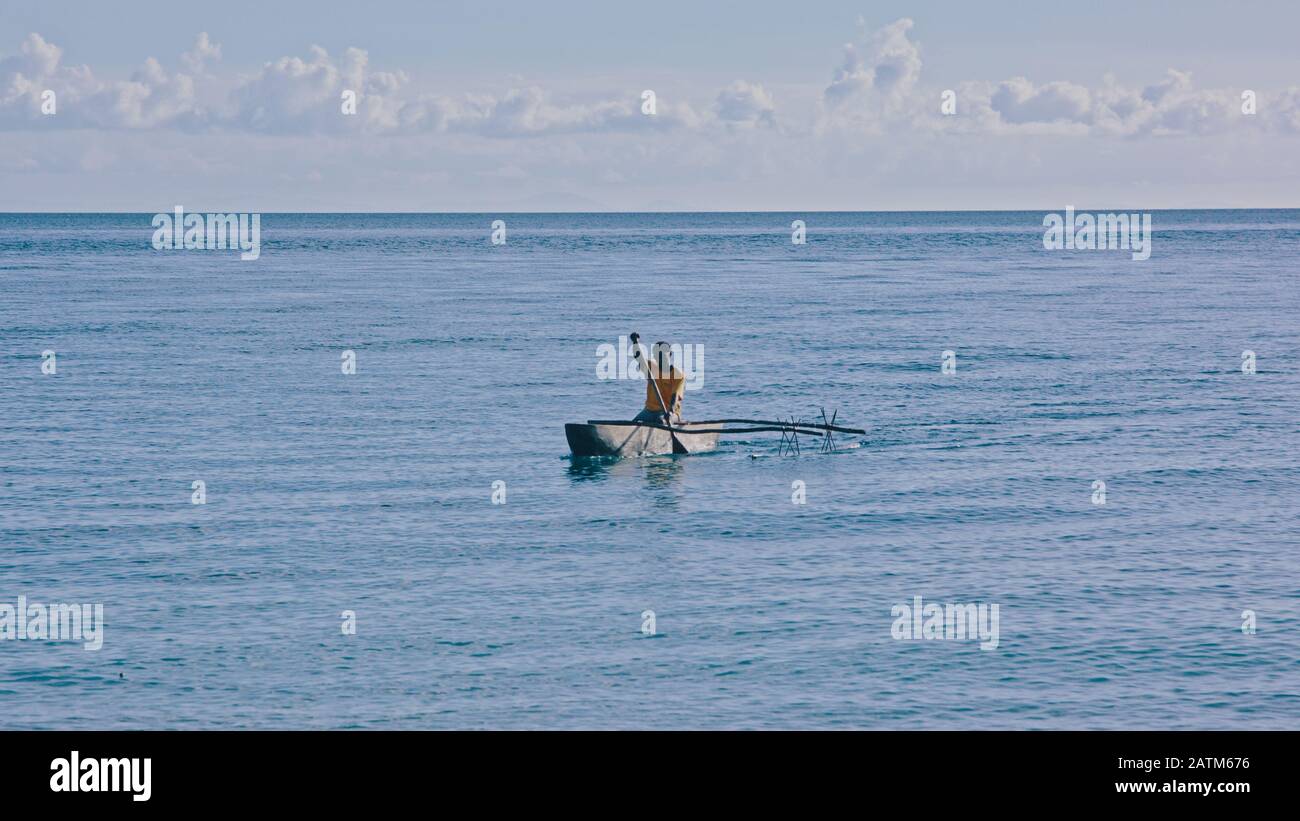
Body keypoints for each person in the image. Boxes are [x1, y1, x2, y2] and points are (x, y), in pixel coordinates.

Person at [629, 332, 685, 426]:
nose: (660, 356)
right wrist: (635, 342)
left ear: (670, 354)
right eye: (657, 353)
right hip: (649, 411)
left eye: (663, 353)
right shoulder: (651, 367)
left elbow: (675, 396)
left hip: (668, 412)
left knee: (661, 421)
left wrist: (670, 412)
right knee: (632, 424)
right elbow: (638, 357)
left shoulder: (678, 373)